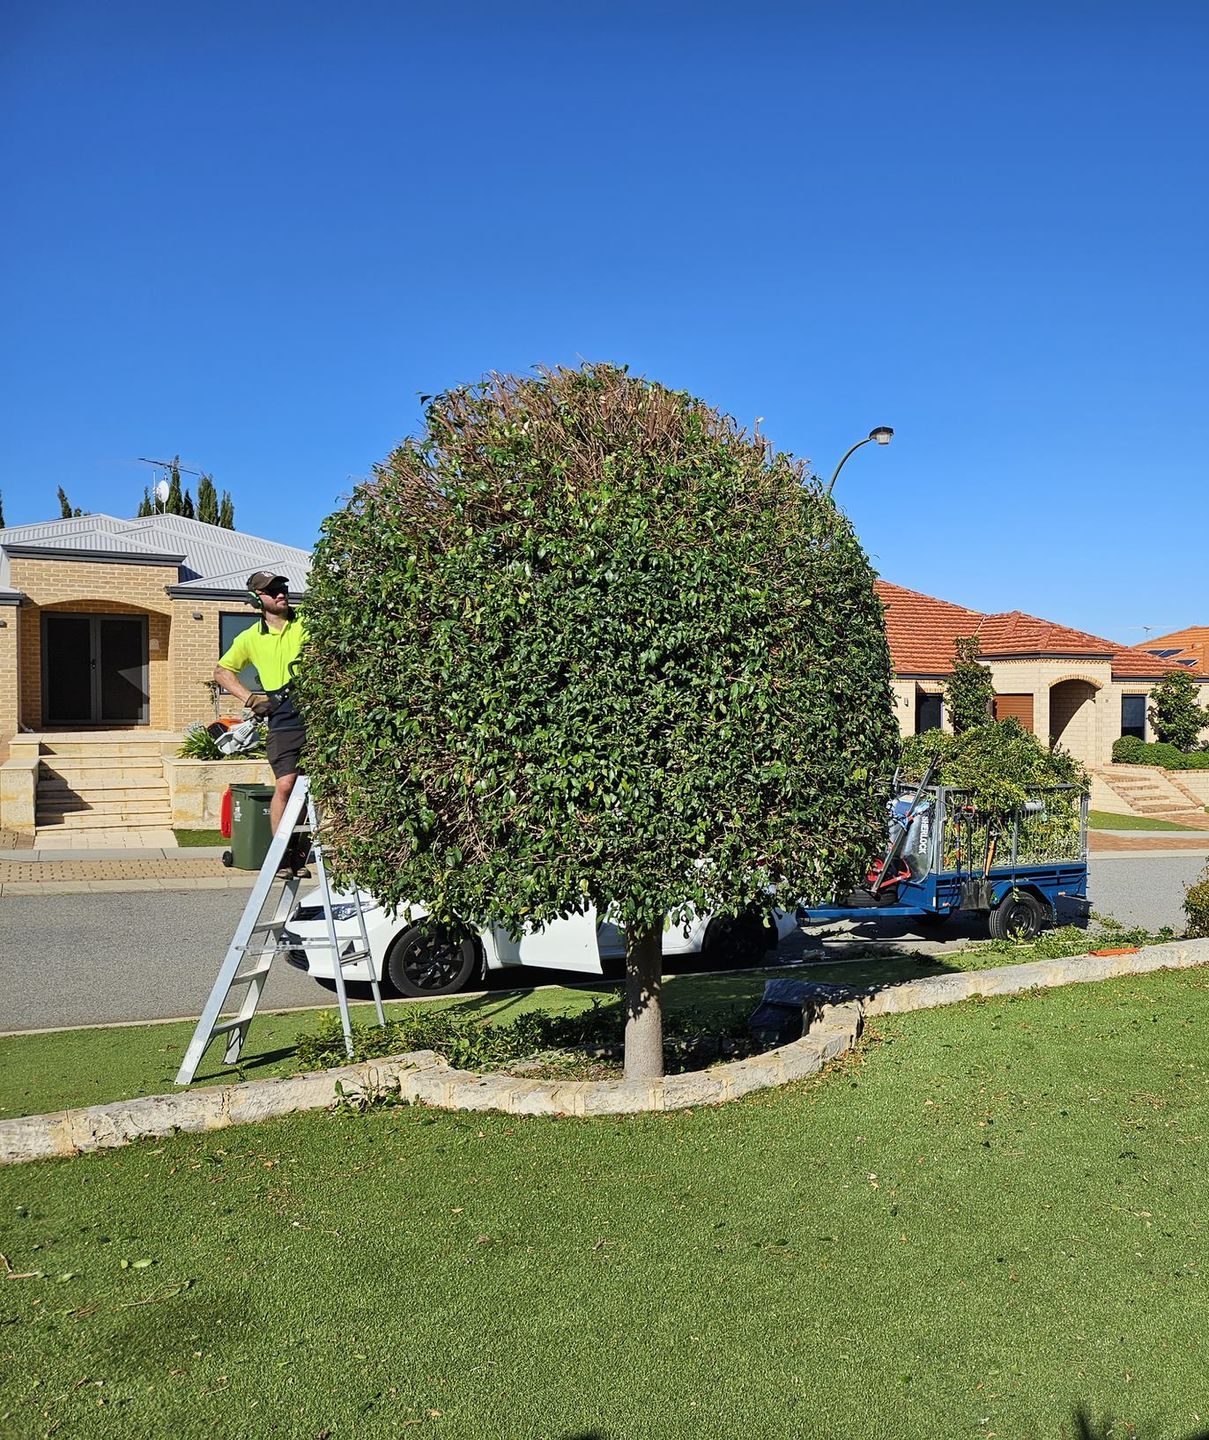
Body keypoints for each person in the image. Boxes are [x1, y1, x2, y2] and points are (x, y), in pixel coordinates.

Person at [214, 570, 309, 849]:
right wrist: (251, 699)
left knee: (312, 787)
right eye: (273, 590)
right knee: (286, 784)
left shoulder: (309, 623)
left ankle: (300, 850)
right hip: (282, 714)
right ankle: (281, 852)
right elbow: (222, 672)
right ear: (255, 599)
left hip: (318, 710)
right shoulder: (250, 637)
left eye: (283, 587)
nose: (281, 593)